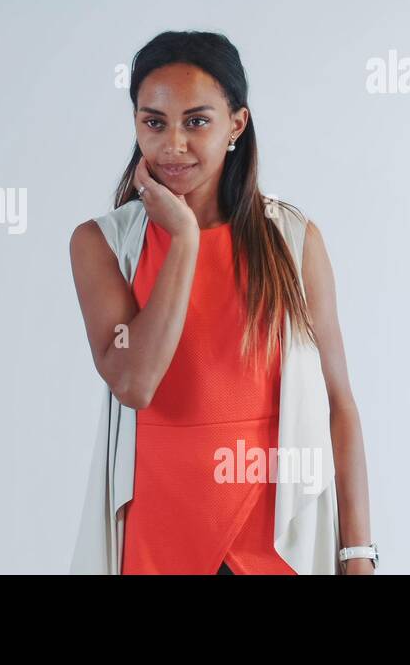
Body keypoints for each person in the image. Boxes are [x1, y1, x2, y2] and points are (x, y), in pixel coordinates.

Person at [68, 31, 376, 574]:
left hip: (277, 545)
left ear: (237, 124)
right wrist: (184, 239)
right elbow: (135, 382)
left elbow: (338, 404)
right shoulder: (102, 244)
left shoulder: (292, 238)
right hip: (160, 541)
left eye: (197, 121)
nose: (173, 145)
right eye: (154, 122)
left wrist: (357, 555)